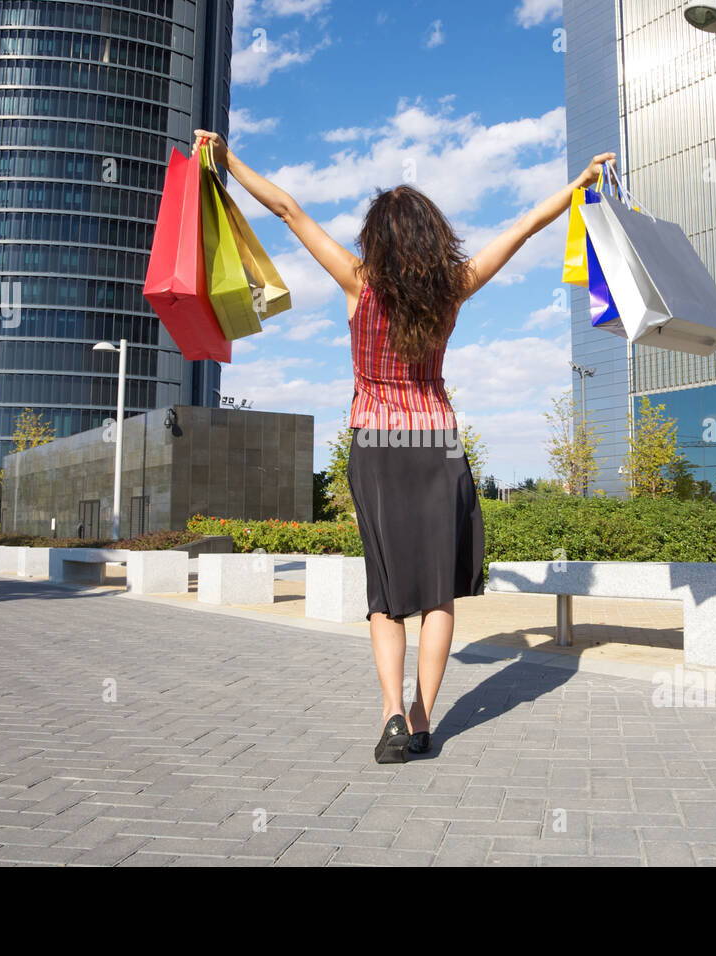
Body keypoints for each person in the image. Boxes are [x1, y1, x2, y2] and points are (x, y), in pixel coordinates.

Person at [194, 129, 616, 763]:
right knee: (437, 593)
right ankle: (424, 717)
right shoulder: (453, 287)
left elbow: (287, 209)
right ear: (430, 237)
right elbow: (526, 225)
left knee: (386, 591)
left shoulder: (355, 281)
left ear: (377, 238)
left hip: (377, 444)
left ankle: (392, 713)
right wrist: (578, 185)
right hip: (436, 442)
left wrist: (224, 160)